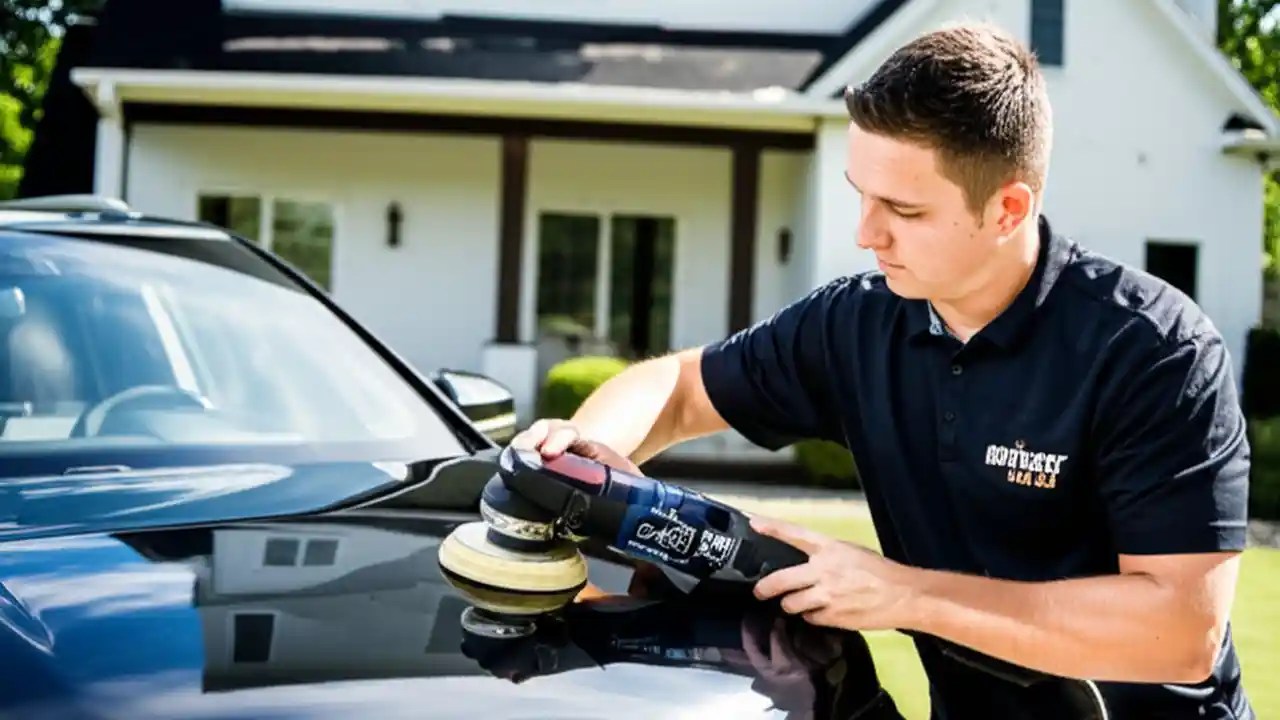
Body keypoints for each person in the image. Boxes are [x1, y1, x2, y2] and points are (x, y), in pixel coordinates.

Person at [511, 21, 1253, 719]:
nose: (868, 234)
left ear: (1008, 208)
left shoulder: (1155, 352)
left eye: (903, 209)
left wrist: (902, 595)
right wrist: (582, 459)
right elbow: (674, 389)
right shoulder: (856, 324)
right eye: (861, 196)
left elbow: (1178, 629)